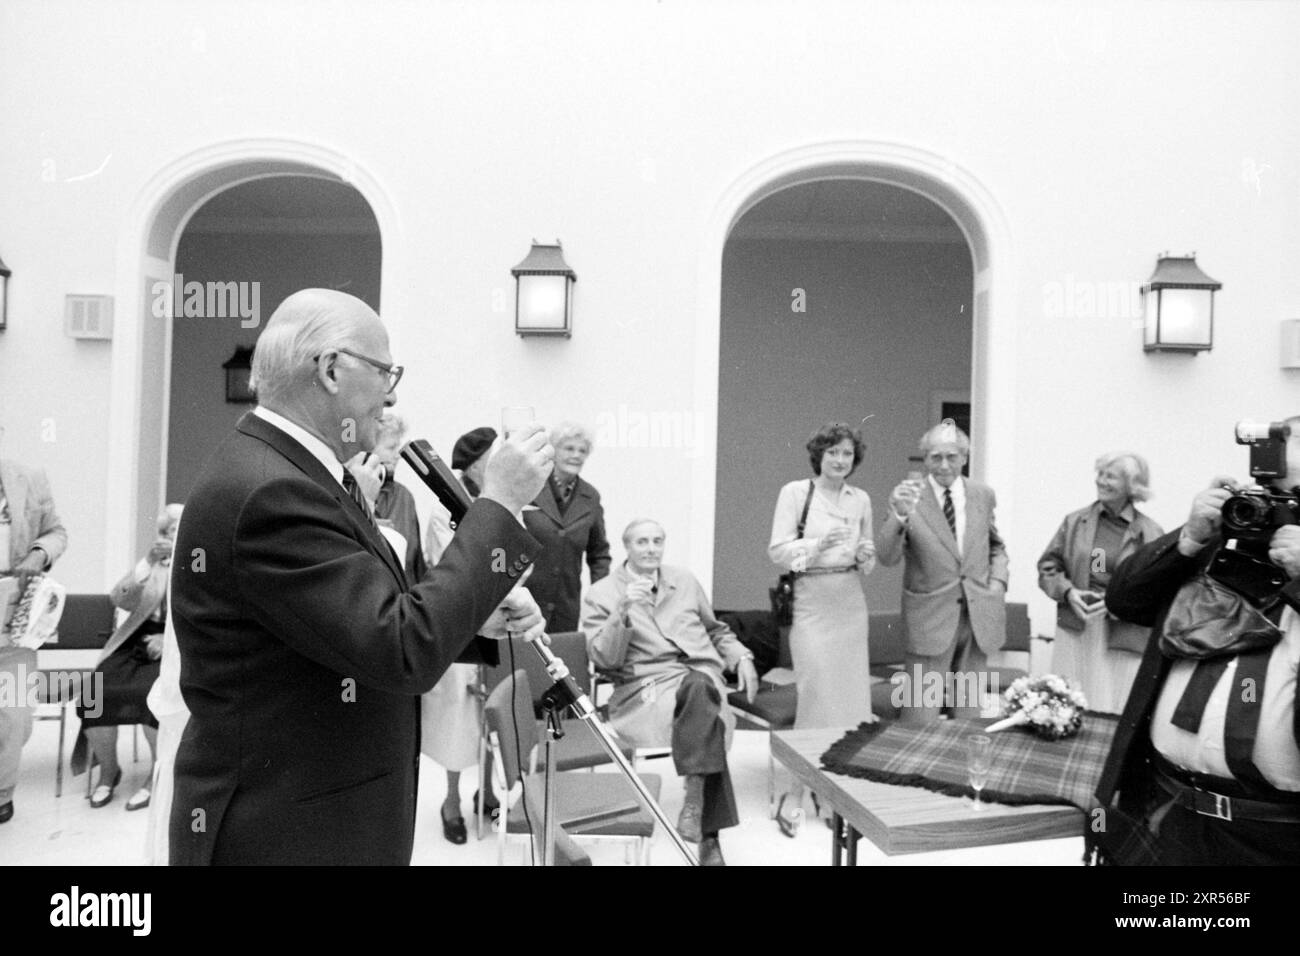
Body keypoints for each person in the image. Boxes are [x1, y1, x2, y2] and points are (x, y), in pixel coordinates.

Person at [168, 288, 553, 865]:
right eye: (384, 371)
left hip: (322, 821)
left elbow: (356, 621)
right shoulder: (272, 490)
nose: (393, 393)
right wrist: (496, 502)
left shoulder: (297, 470)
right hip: (287, 834)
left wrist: (478, 624)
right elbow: (399, 648)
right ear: (329, 369)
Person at [1095, 422, 1300, 865]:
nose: (1274, 509)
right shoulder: (1217, 556)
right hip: (1170, 815)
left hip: (1272, 838)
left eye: (1292, 498)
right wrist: (1190, 536)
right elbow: (1124, 599)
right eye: (1268, 494)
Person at [582, 519, 758, 866]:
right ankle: (708, 836)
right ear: (626, 547)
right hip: (647, 689)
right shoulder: (602, 593)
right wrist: (622, 614)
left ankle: (696, 803)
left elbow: (716, 630)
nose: (651, 548)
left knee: (701, 690)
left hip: (701, 675)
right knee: (707, 713)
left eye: (657, 541)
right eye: (642, 542)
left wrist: (742, 656)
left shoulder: (685, 581)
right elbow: (603, 658)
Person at [768, 422, 877, 835]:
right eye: (832, 452)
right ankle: (795, 790)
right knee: (815, 696)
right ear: (819, 455)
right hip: (811, 599)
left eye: (847, 453)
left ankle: (835, 794)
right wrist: (817, 545)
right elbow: (778, 551)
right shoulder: (796, 493)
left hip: (849, 600)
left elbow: (865, 559)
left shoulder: (860, 499)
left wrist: (865, 554)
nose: (840, 460)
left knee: (850, 701)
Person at [876, 419, 1008, 728]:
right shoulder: (908, 495)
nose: (944, 464)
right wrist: (899, 515)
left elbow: (996, 546)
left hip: (978, 617)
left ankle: (960, 774)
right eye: (936, 457)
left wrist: (998, 582)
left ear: (964, 457)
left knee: (969, 713)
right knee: (920, 715)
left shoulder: (982, 494)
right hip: (929, 619)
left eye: (952, 456)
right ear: (925, 459)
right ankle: (913, 774)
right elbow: (886, 556)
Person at [72, 504, 183, 812]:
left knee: (153, 696)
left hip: (176, 643)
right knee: (94, 694)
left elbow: (202, 612)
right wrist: (147, 562)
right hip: (135, 639)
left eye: (178, 531)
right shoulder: (154, 565)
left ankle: (154, 776)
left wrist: (168, 638)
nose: (172, 537)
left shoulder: (199, 563)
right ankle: (109, 770)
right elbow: (119, 598)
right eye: (168, 531)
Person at [1037, 453, 1164, 713]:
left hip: (1121, 632)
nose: (1101, 481)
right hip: (1075, 625)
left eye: (1111, 476)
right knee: (1066, 705)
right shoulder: (1075, 522)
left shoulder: (1151, 533)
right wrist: (1068, 591)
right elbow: (1048, 567)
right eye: (1100, 474)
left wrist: (1114, 603)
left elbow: (1155, 590)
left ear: (1132, 486)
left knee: (1110, 707)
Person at [422, 426, 500, 845]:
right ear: (473, 465)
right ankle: (450, 801)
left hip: (500, 620)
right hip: (461, 623)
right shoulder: (445, 507)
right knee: (458, 719)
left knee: (495, 713)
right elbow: (452, 564)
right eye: (493, 456)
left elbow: (520, 561)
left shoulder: (506, 501)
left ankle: (487, 793)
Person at [0, 432, 68, 824]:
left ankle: (2, 790)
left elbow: (56, 532)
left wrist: (39, 553)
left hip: (14, 622)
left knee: (15, 716)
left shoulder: (29, 478)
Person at [523, 422, 611, 632]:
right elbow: (502, 540)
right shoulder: (529, 485)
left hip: (566, 606)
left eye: (582, 450)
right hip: (526, 599)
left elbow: (599, 555)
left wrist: (602, 600)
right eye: (569, 448)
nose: (576, 455)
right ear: (553, 451)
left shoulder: (591, 497)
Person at [371, 411, 428, 584]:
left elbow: (417, 564)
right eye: (390, 448)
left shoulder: (405, 497)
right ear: (369, 447)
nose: (397, 455)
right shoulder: (349, 491)